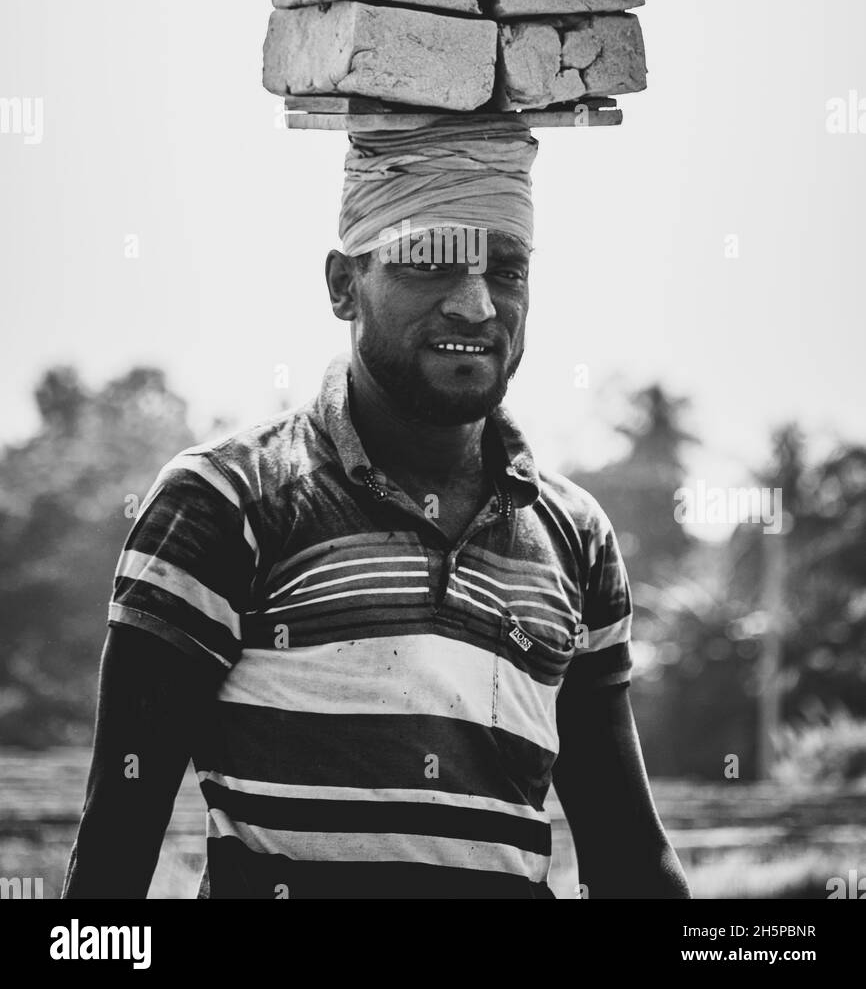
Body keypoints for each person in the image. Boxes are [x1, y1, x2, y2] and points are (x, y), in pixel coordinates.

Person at [63, 117, 689, 900]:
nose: (476, 307)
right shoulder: (225, 502)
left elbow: (630, 855)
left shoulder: (575, 537)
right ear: (342, 284)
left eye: (507, 271)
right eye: (431, 265)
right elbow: (114, 850)